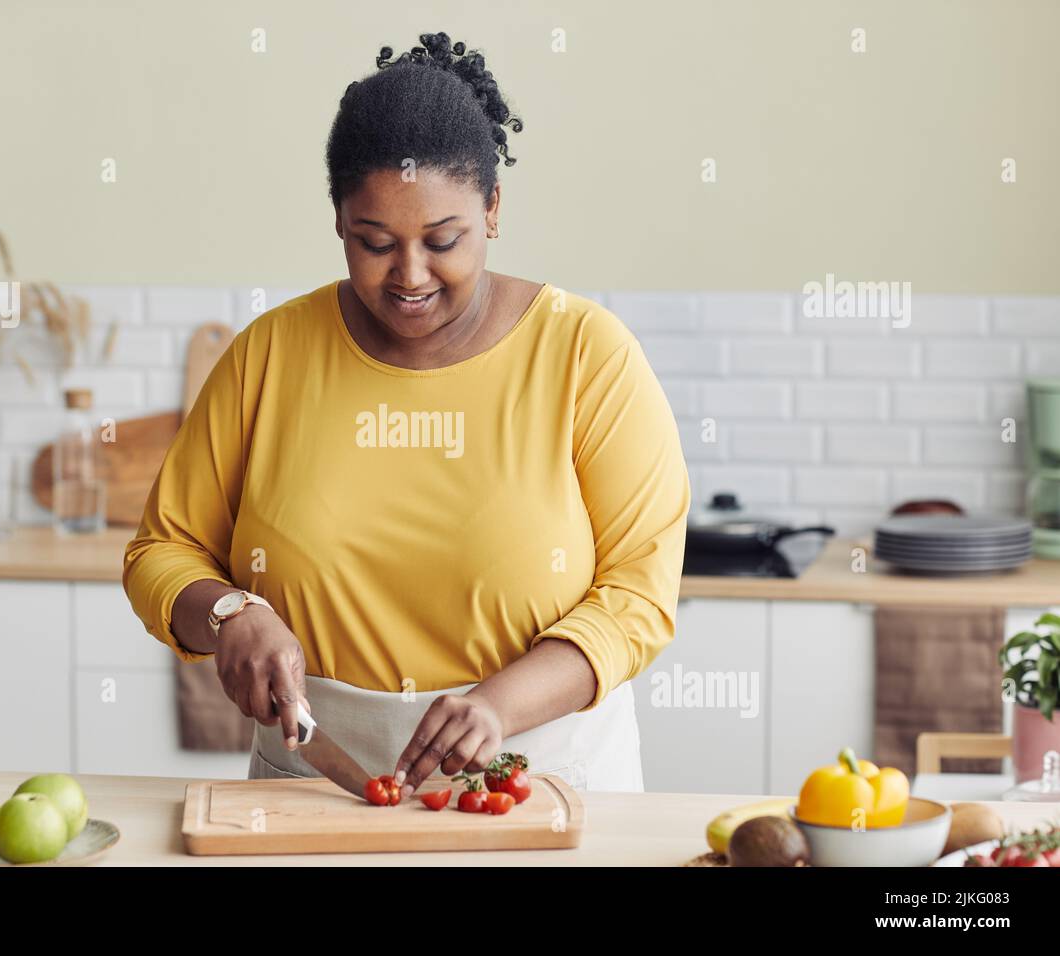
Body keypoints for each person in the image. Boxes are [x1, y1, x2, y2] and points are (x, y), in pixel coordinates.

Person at [123, 31, 690, 796]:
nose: (410, 276)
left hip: (543, 781)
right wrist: (228, 611)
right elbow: (163, 551)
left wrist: (500, 704)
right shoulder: (270, 356)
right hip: (312, 783)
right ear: (337, 221)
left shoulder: (586, 355)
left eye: (443, 240)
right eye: (375, 242)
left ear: (493, 209)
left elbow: (638, 596)